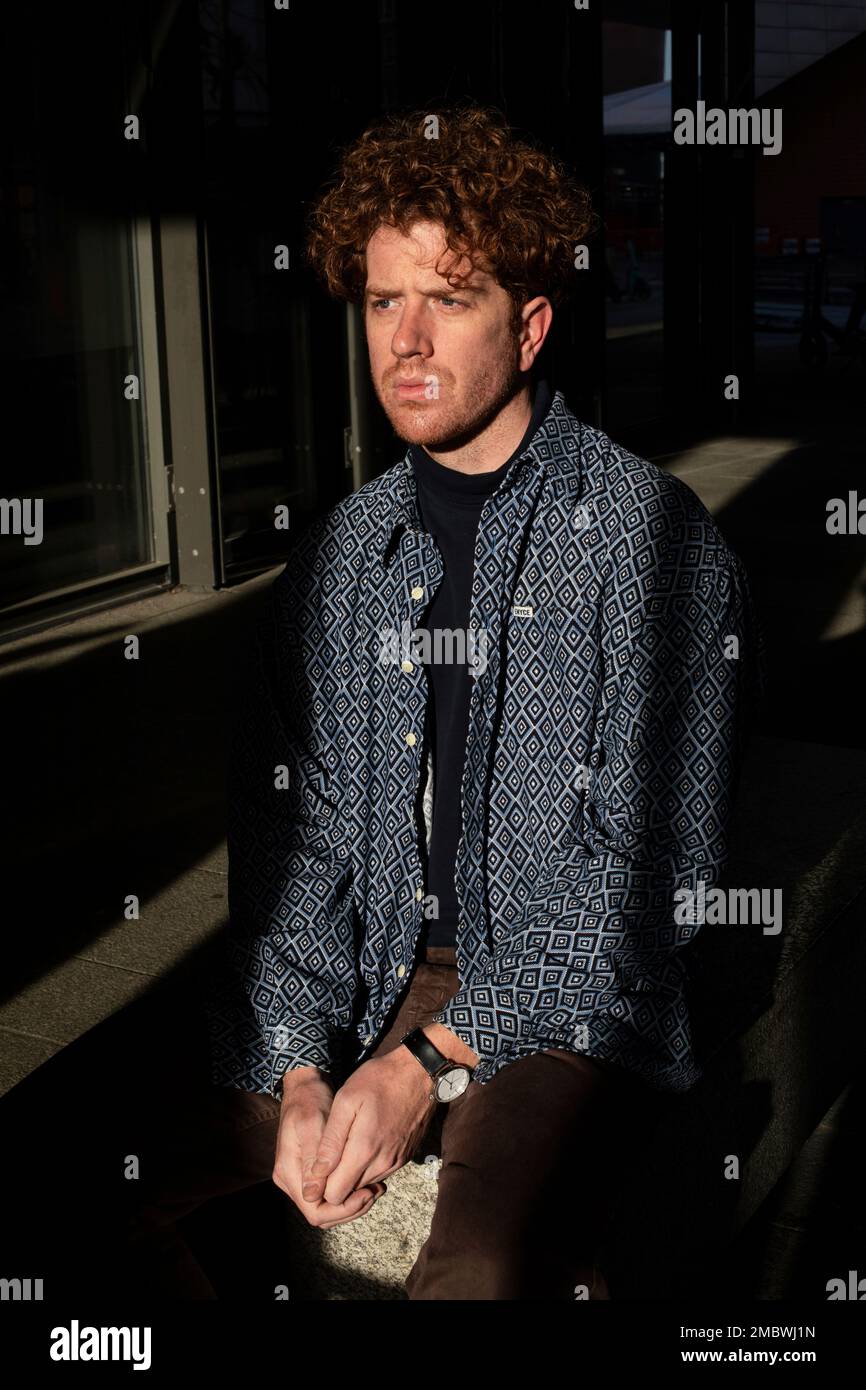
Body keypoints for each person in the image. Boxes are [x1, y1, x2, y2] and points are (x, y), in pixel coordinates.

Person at [132, 102, 765, 1300]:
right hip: (371, 963)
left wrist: (425, 1060)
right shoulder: (337, 561)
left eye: (449, 298)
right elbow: (292, 857)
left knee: (478, 1268)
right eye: (383, 302)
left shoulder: (649, 543)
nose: (406, 341)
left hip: (566, 996)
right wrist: (296, 1068)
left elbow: (650, 879)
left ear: (528, 326)